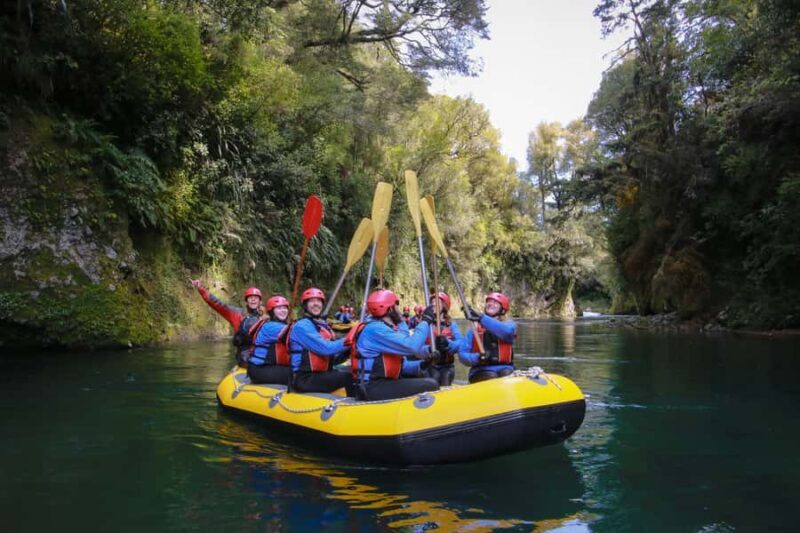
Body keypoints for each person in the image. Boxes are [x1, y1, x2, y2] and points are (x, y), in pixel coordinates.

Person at [346, 289, 441, 401]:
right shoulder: (376, 329)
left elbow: (403, 366)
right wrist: (426, 320)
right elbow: (412, 346)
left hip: (383, 383)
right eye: (396, 306)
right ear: (390, 309)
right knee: (431, 384)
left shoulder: (385, 328)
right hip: (371, 387)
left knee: (426, 378)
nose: (399, 310)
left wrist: (424, 364)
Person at [288, 288, 354, 394]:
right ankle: (356, 408)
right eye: (312, 301)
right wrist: (350, 340)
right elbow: (326, 349)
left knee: (352, 371)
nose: (316, 304)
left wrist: (347, 351)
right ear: (305, 305)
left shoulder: (321, 325)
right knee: (348, 377)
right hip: (304, 379)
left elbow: (333, 359)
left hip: (319, 375)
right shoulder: (302, 326)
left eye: (318, 301)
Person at [191, 279, 262, 366]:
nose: (253, 300)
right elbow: (217, 304)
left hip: (262, 353)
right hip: (244, 355)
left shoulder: (267, 316)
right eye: (250, 298)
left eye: (256, 298)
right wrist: (201, 288)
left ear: (260, 301)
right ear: (246, 301)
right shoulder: (236, 314)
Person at [459, 292, 517, 383]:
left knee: (507, 374)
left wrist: (481, 318)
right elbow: (462, 354)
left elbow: (506, 332)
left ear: (503, 309)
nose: (490, 304)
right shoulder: (474, 328)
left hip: (506, 368)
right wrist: (477, 358)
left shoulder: (510, 325)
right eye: (489, 301)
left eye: (495, 302)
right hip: (481, 370)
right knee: (491, 376)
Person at [248, 295, 293, 385]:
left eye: (285, 308)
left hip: (270, 366)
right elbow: (299, 334)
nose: (283, 310)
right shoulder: (270, 326)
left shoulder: (278, 325)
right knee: (298, 375)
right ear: (272, 311)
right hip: (260, 369)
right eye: (279, 308)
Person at [424, 291, 463, 386]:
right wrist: (428, 349)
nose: (433, 304)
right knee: (434, 378)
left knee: (446, 376)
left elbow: (461, 343)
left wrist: (448, 343)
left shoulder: (451, 325)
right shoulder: (425, 324)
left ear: (444, 306)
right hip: (431, 365)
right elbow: (417, 346)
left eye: (437, 302)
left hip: (447, 366)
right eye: (432, 302)